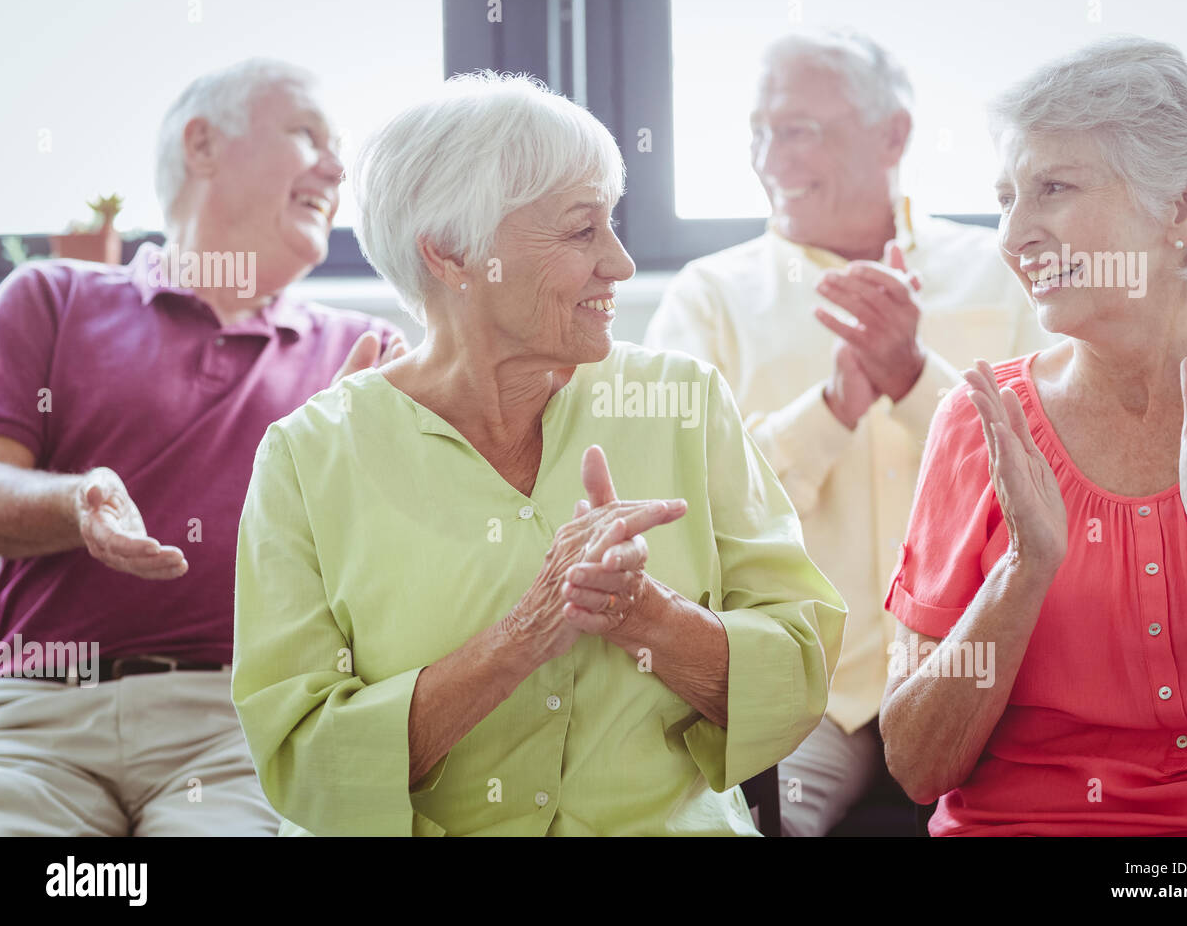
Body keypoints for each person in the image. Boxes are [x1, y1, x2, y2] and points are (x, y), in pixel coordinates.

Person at [231, 71, 846, 837]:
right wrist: (523, 636)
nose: (620, 263)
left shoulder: (682, 401)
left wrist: (649, 618)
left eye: (612, 226)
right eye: (582, 231)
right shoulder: (306, 458)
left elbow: (799, 672)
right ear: (453, 253)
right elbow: (304, 763)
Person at [880, 36, 1187, 835]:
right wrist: (1022, 572)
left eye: (1054, 188)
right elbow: (916, 764)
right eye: (1007, 197)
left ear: (1185, 207)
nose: (1013, 236)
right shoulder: (978, 423)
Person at [643, 29, 1052, 836]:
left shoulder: (1003, 272)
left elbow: (1056, 475)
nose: (770, 157)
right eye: (758, 132)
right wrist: (829, 412)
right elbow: (677, 505)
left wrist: (912, 380)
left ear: (894, 135)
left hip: (988, 674)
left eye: (798, 129)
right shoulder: (709, 298)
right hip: (803, 692)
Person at [0, 58, 405, 836]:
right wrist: (78, 502)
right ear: (202, 145)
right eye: (307, 133)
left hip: (240, 723)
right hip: (36, 713)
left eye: (338, 146)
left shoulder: (368, 353)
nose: (337, 165)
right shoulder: (50, 297)